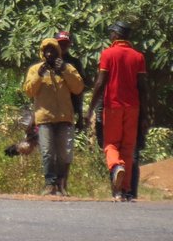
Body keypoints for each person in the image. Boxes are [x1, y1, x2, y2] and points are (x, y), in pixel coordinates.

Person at [86, 21, 148, 201]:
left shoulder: (108, 54)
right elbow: (143, 87)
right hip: (133, 108)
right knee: (128, 148)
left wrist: (91, 108)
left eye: (111, 33)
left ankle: (116, 166)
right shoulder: (138, 57)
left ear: (116, 35)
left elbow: (100, 82)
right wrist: (145, 114)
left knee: (110, 144)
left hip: (113, 106)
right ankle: (124, 190)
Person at [23, 36, 84, 196]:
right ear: (42, 53)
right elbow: (29, 91)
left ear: (58, 52)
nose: (49, 54)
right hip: (44, 118)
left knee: (64, 153)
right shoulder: (35, 70)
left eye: (52, 51)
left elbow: (78, 87)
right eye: (46, 51)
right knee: (48, 152)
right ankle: (50, 184)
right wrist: (39, 75)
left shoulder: (67, 67)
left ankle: (61, 184)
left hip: (64, 118)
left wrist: (64, 69)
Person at [54, 30, 86, 130]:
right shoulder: (46, 62)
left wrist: (80, 115)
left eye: (65, 44)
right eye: (60, 43)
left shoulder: (75, 63)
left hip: (69, 111)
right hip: (50, 111)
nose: (62, 46)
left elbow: (80, 90)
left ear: (70, 45)